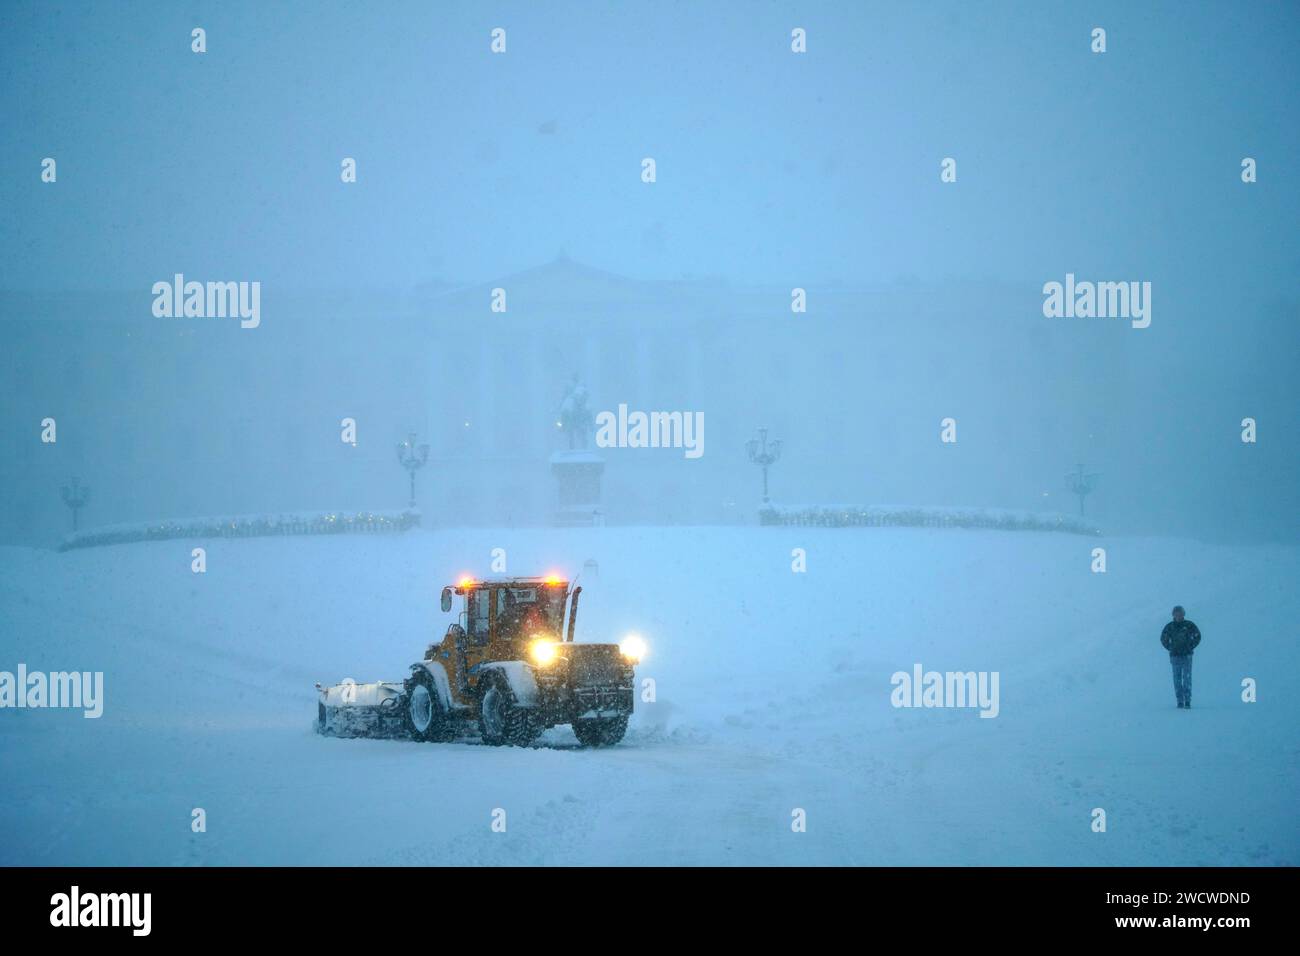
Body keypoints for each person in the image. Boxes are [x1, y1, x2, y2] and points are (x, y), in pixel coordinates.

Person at [1160, 605, 1201, 709]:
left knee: (1187, 679)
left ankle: (1187, 700)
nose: (1178, 615)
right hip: (1175, 657)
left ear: (1183, 614)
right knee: (1177, 679)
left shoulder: (1189, 625)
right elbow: (1163, 638)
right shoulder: (1170, 627)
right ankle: (1179, 701)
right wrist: (1170, 647)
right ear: (1173, 615)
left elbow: (1197, 636)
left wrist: (1190, 646)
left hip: (1187, 656)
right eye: (1176, 614)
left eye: (1180, 613)